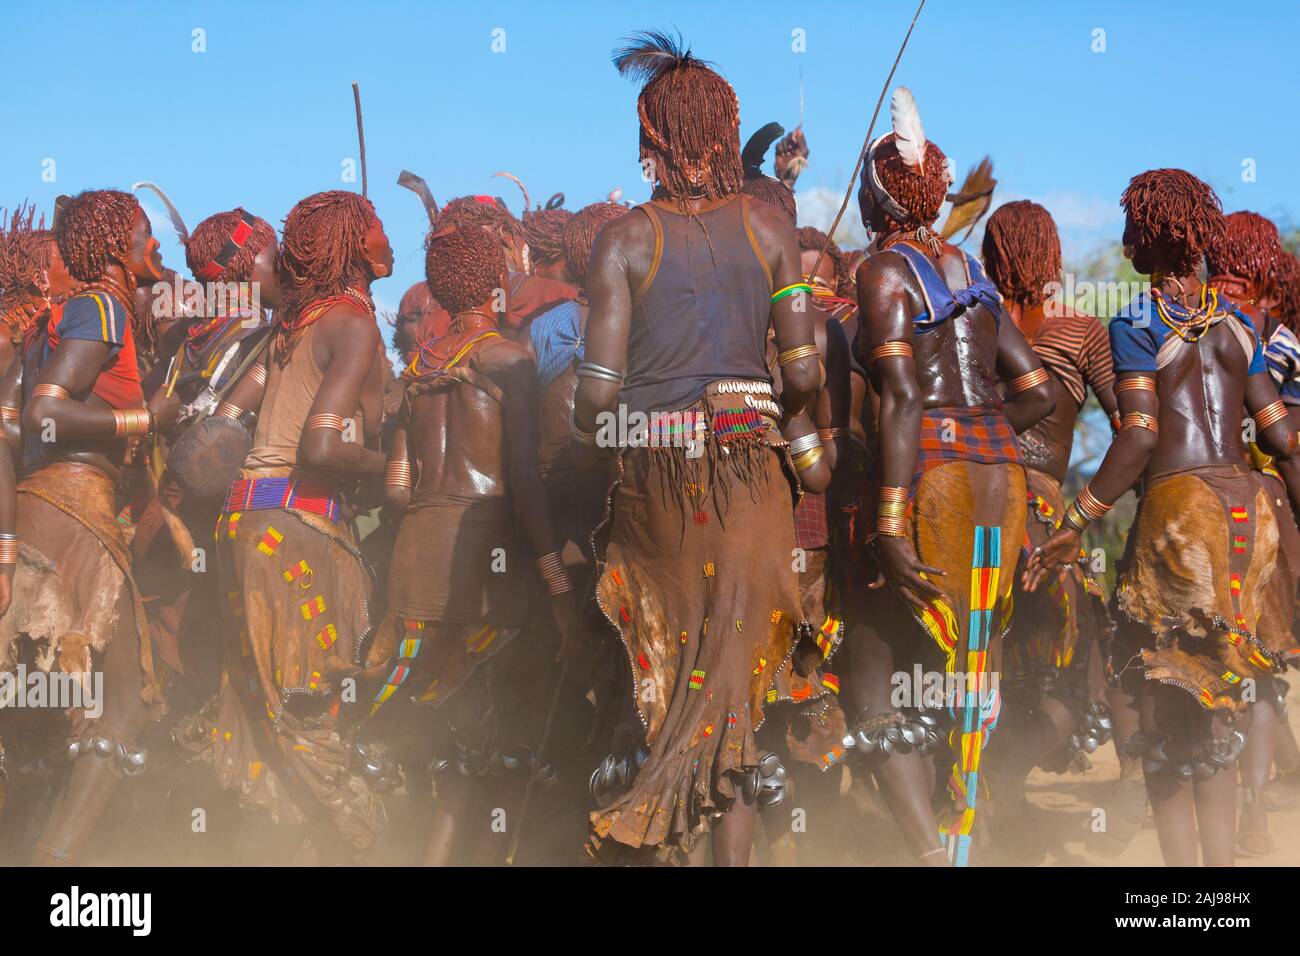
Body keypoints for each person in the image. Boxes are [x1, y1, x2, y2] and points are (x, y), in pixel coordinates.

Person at [576, 31, 820, 864]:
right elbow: (803, 371)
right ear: (726, 131)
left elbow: (599, 396)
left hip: (661, 486)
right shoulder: (769, 230)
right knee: (732, 704)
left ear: (652, 140)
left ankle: (646, 832)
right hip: (755, 482)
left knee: (670, 694)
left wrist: (591, 424)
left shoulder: (623, 241)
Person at [1028, 169, 1300, 866]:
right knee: (1214, 703)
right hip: (1247, 516)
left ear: (1149, 235)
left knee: (1159, 704)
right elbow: (1278, 438)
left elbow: (1142, 434)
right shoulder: (1240, 328)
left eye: (1129, 227)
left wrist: (1076, 520)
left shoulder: (1138, 322)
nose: (1121, 241)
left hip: (1183, 516)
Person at [845, 88, 1053, 866]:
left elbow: (899, 397)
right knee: (970, 659)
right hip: (1002, 480)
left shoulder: (882, 273)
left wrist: (890, 521)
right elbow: (1037, 393)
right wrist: (985, 436)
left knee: (899, 660)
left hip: (932, 482)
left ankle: (940, 852)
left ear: (877, 195)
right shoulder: (973, 272)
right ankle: (965, 836)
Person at [175, 190, 395, 861]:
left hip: (243, 528)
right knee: (313, 710)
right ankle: (366, 845)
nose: (391, 240)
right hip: (295, 530)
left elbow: (215, 427)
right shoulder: (352, 322)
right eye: (380, 228)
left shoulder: (287, 330)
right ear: (355, 244)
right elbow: (323, 448)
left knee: (265, 714)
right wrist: (392, 469)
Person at [375, 223, 578, 864]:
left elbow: (398, 488)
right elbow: (521, 482)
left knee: (450, 746)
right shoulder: (511, 361)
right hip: (487, 573)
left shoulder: (418, 367)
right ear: (495, 281)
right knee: (503, 750)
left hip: (415, 563)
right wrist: (556, 582)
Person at [0, 189, 178, 865]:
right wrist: (147, 420)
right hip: (75, 524)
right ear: (112, 246)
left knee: (44, 707)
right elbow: (45, 413)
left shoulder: (52, 322)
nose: (153, 245)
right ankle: (54, 864)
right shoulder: (101, 305)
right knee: (120, 709)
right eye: (143, 233)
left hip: (41, 513)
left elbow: (11, 426)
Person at [978, 200, 1122, 853]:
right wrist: (1086, 514)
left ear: (989, 255)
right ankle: (1000, 786)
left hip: (964, 499)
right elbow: (1133, 431)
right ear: (1055, 255)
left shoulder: (970, 324)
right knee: (1076, 677)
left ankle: (981, 796)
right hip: (1040, 512)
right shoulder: (1085, 331)